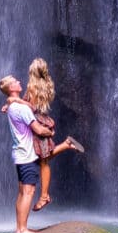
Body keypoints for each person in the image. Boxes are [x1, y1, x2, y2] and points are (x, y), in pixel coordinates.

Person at [24, 56, 84, 211]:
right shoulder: (48, 85)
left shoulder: (32, 88)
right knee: (42, 159)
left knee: (43, 161)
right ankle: (66, 144)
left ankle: (44, 196)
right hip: (43, 121)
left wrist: (13, 101)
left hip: (38, 123)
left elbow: (29, 107)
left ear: (33, 71)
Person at [0, 74, 52, 233]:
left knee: (22, 193)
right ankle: (23, 230)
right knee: (28, 192)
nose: (19, 82)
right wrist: (50, 131)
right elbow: (38, 129)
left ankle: (20, 227)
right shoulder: (21, 109)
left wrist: (10, 102)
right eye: (15, 82)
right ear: (11, 88)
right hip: (28, 155)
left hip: (19, 154)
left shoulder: (14, 107)